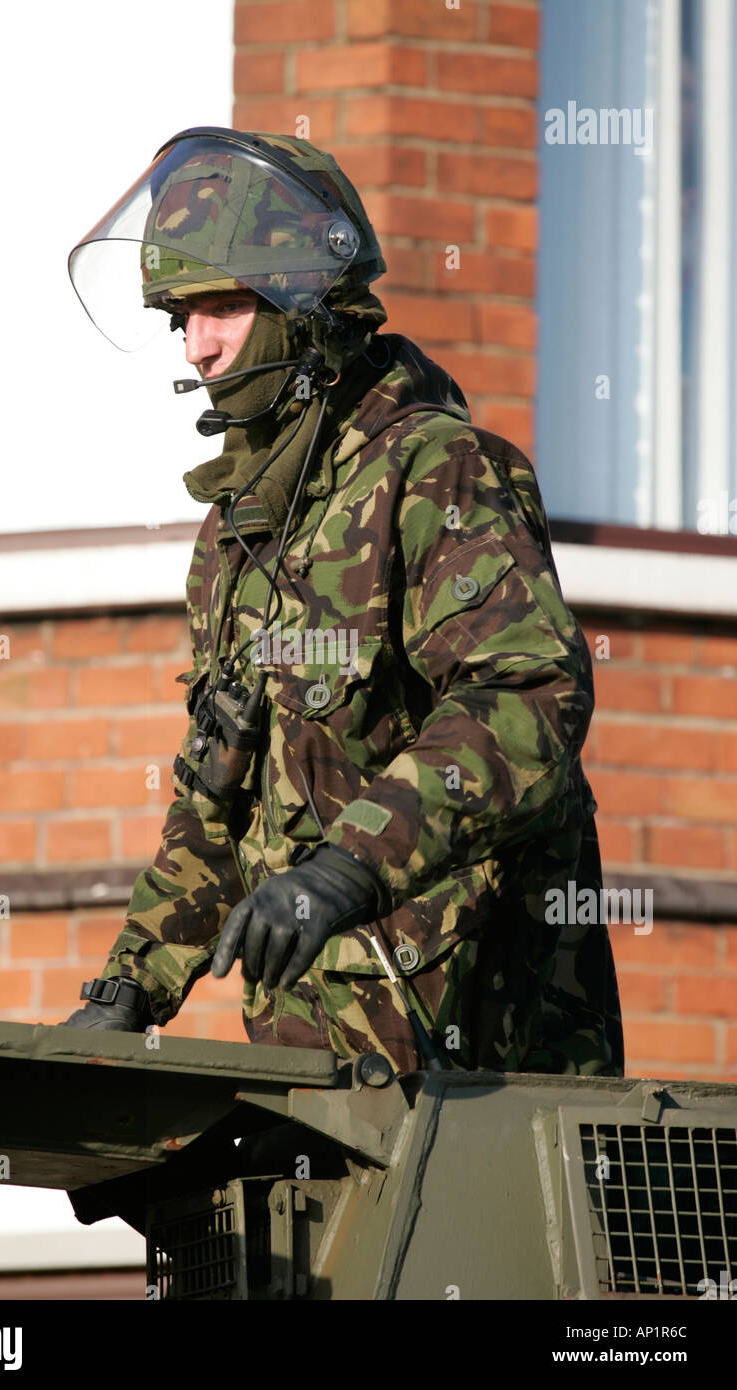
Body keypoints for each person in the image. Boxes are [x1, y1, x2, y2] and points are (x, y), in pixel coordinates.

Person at [62, 126, 624, 1076]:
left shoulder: (435, 472)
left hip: (485, 1079)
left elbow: (528, 695)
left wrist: (346, 867)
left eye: (222, 306)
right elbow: (216, 806)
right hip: (315, 1079)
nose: (197, 345)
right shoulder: (241, 537)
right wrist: (128, 990)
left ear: (302, 305)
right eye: (179, 317)